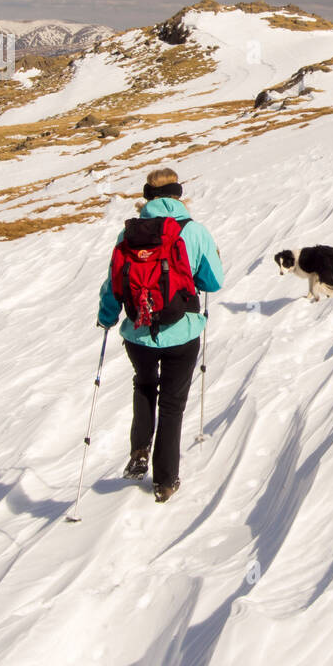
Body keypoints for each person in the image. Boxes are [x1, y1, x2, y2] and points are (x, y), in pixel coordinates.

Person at [97, 168, 224, 503]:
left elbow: (114, 282)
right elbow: (213, 282)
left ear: (147, 197)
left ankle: (139, 451)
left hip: (138, 332)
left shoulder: (129, 234)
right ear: (178, 195)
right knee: (172, 404)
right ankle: (165, 481)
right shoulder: (194, 231)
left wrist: (107, 317)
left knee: (143, 384)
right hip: (181, 332)